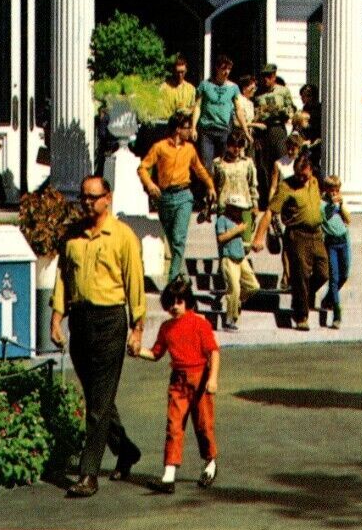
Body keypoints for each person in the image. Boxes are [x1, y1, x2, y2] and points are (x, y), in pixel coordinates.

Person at [48, 174, 146, 498]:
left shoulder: (123, 237)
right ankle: (126, 449)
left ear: (108, 198)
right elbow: (64, 278)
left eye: (94, 197)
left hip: (110, 321)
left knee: (99, 403)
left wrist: (138, 328)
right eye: (83, 197)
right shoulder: (72, 237)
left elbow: (135, 284)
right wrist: (56, 319)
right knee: (96, 398)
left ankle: (88, 474)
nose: (88, 203)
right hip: (81, 320)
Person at [132, 276, 220, 493]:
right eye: (171, 303)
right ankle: (168, 475)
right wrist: (137, 351)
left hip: (200, 379)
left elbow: (213, 352)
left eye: (179, 302)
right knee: (174, 426)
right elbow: (155, 354)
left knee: (203, 425)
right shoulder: (166, 328)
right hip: (178, 382)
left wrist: (213, 379)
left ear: (187, 302)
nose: (175, 307)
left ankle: (210, 463)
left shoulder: (200, 324)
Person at [138, 110, 216, 285]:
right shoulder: (160, 147)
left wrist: (210, 186)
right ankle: (184, 277)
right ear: (178, 129)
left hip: (184, 196)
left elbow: (200, 169)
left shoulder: (190, 149)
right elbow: (142, 167)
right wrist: (150, 184)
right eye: (187, 128)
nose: (190, 131)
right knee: (173, 240)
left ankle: (172, 281)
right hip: (165, 197)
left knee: (179, 238)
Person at [259, 148, 328, 331]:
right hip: (297, 235)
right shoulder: (286, 186)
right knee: (301, 275)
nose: (301, 179)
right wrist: (259, 237)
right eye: (298, 175)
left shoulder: (314, 182)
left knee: (323, 273)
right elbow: (270, 212)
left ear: (311, 171)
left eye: (304, 176)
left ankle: (302, 295)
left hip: (316, 234)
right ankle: (300, 316)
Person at [252, 62, 297, 209]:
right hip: (263, 131)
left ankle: (284, 197)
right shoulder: (258, 94)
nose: (266, 80)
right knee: (265, 166)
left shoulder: (282, 91)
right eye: (264, 77)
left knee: (282, 162)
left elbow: (291, 108)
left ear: (274, 76)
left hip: (278, 128)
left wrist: (283, 112)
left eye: (269, 76)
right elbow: (255, 113)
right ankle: (267, 200)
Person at [215, 200, 259, 332]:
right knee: (234, 288)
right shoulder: (222, 220)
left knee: (254, 286)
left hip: (241, 257)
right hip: (229, 258)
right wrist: (237, 230)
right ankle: (230, 319)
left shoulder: (239, 220)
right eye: (236, 209)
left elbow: (244, 237)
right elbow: (221, 238)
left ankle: (236, 302)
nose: (239, 212)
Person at [192, 54, 242, 171]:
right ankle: (209, 189)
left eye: (229, 69)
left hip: (224, 130)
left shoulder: (233, 87)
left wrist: (245, 129)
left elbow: (238, 110)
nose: (226, 72)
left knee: (223, 165)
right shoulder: (205, 85)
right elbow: (198, 106)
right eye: (224, 68)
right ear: (217, 68)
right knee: (206, 165)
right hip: (207, 131)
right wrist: (193, 127)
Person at [320, 174, 351, 330]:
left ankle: (328, 299)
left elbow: (348, 220)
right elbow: (323, 216)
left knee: (344, 274)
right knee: (334, 277)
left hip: (343, 239)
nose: (334, 193)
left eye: (337, 190)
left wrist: (342, 205)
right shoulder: (322, 203)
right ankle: (337, 313)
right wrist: (331, 205)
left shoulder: (339, 202)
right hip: (331, 242)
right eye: (332, 190)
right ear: (326, 190)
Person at [161, 55, 196, 120]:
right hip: (167, 123)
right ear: (174, 71)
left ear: (186, 71)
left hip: (185, 125)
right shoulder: (164, 87)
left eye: (182, 72)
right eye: (178, 72)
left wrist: (186, 111)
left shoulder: (191, 89)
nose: (180, 75)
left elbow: (193, 108)